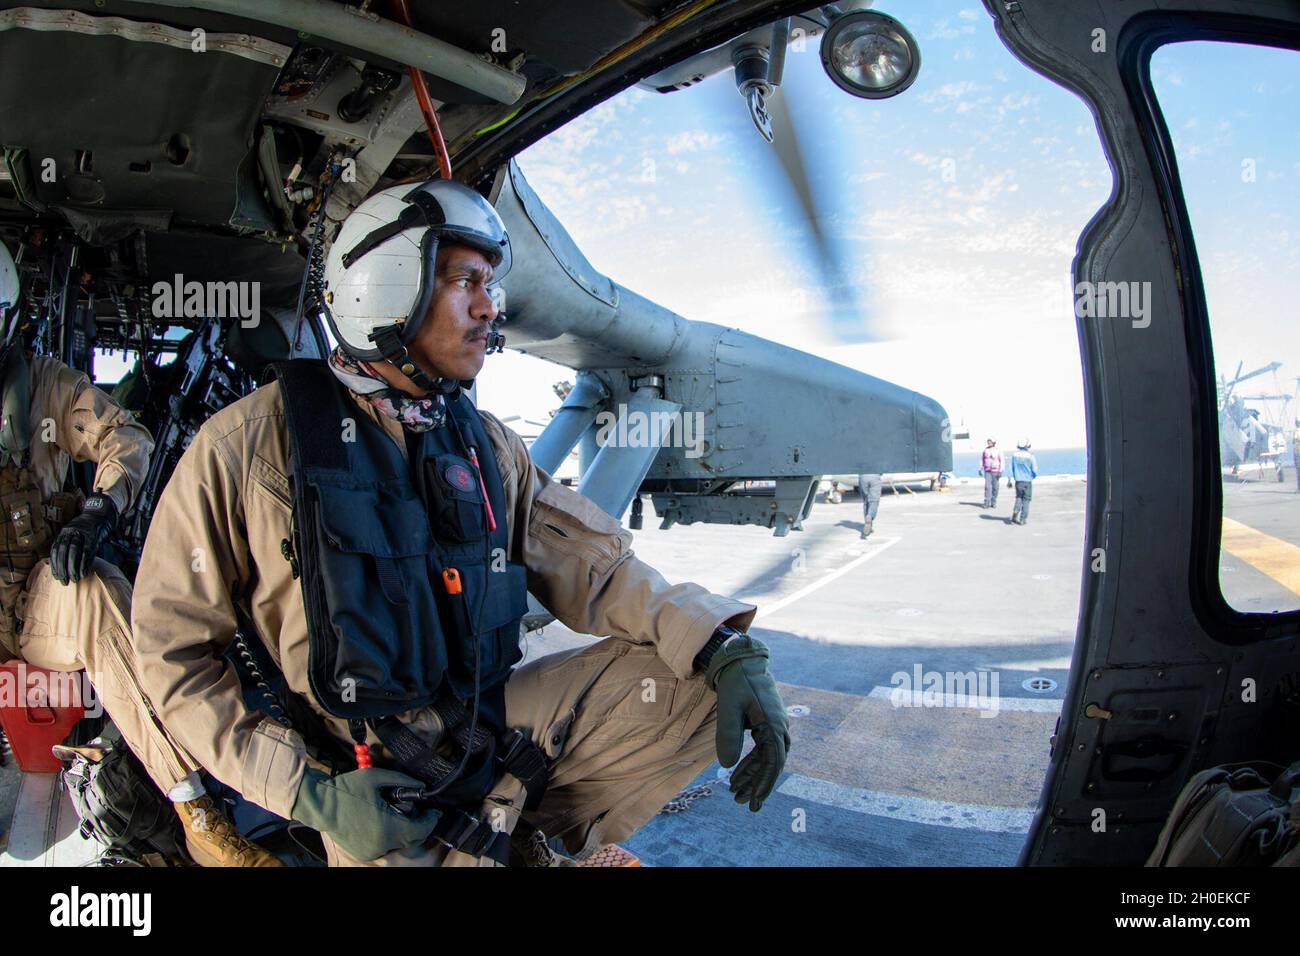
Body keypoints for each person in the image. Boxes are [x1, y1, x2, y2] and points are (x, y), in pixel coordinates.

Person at [129, 180, 790, 866]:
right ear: (382, 290)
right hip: (363, 782)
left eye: (489, 285)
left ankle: (519, 838)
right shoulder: (247, 446)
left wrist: (719, 645)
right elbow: (168, 651)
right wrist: (309, 793)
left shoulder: (485, 446)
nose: (489, 307)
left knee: (694, 688)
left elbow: (600, 571)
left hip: (487, 721)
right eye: (463, 281)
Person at [0, 241, 277, 867]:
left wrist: (100, 510)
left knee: (95, 588)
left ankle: (195, 814)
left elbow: (122, 433)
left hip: (32, 603)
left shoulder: (42, 386)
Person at [1009, 438, 1039, 525]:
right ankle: (1022, 519)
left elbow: (1012, 468)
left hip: (1018, 481)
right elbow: (1035, 470)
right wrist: (1032, 477)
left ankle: (1015, 511)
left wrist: (1011, 478)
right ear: (1027, 445)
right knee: (1026, 500)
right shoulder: (1030, 456)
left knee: (1019, 497)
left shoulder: (1014, 455)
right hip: (1027, 481)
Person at [979, 438, 1003, 509]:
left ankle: (993, 501)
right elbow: (982, 460)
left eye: (990, 441)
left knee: (995, 487)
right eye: (988, 441)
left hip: (996, 471)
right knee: (987, 487)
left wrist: (1001, 470)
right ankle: (986, 502)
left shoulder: (998, 450)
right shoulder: (985, 450)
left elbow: (1002, 461)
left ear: (993, 442)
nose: (989, 443)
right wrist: (980, 468)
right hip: (987, 471)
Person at [858, 473, 882, 538]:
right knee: (874, 500)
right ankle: (870, 516)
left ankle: (868, 522)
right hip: (875, 477)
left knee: (866, 501)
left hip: (863, 477)